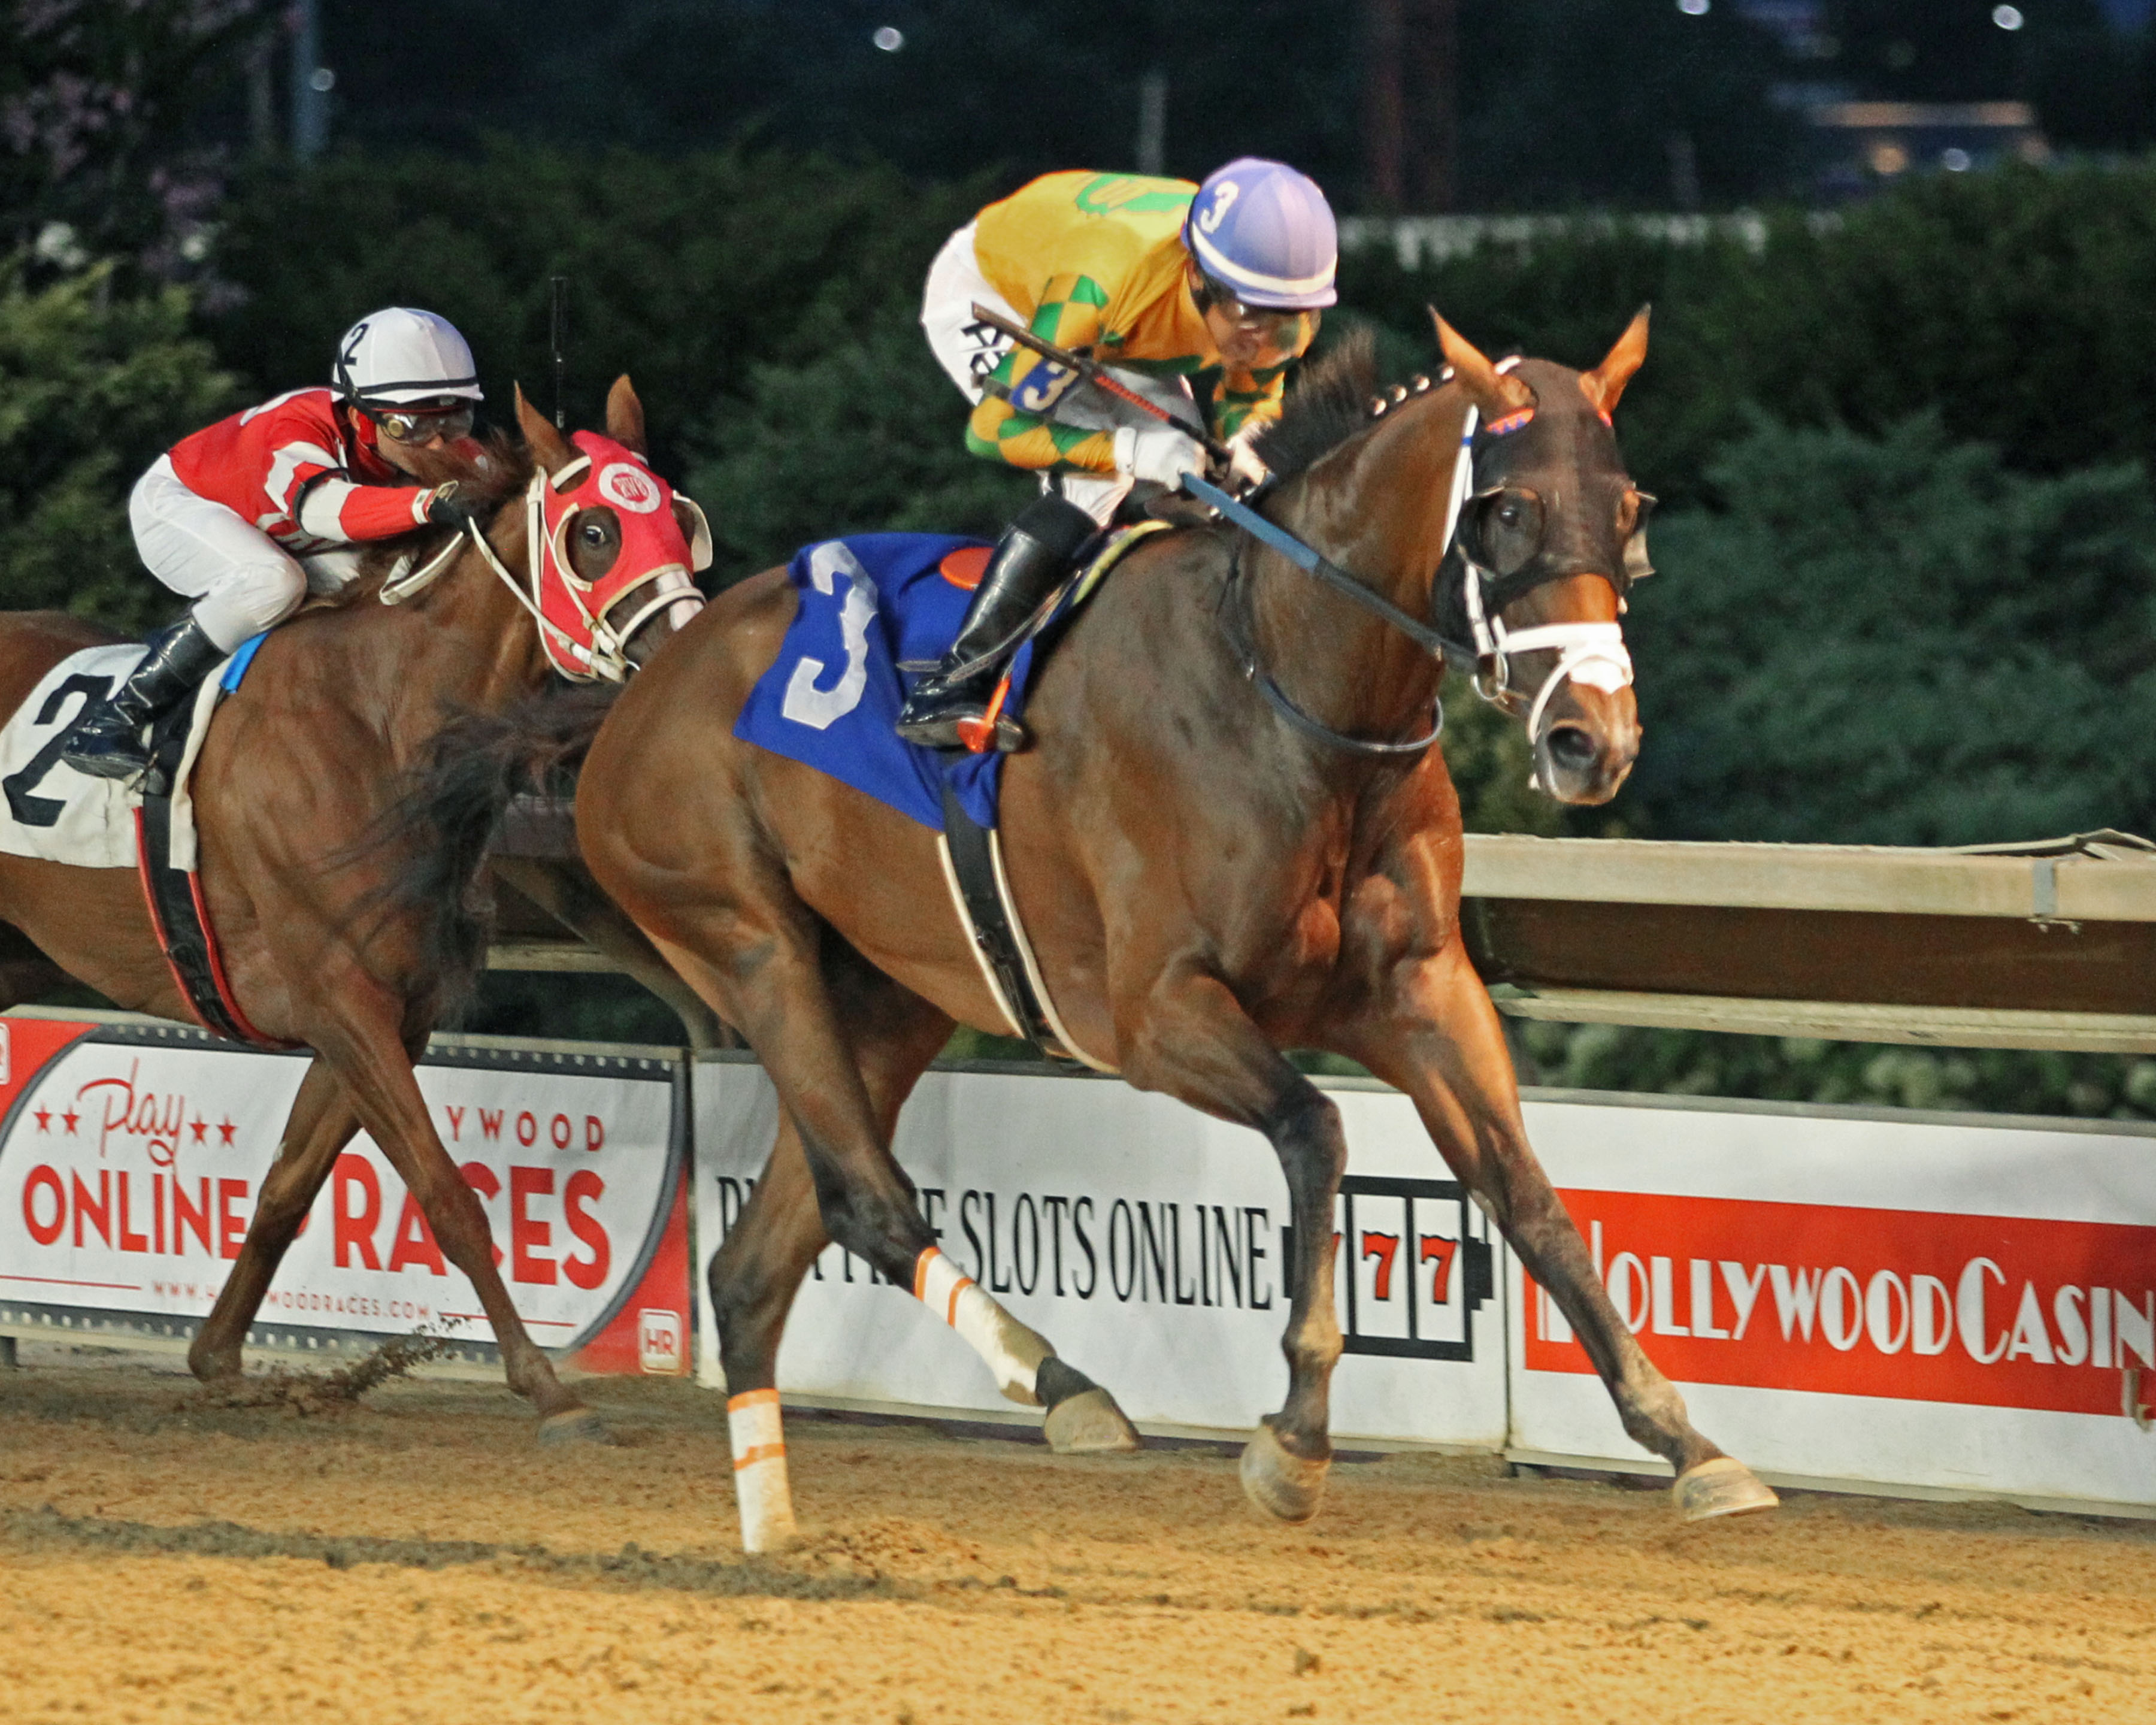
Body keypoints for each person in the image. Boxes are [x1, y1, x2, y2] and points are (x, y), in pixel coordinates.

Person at [897, 158, 1337, 750]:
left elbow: (1248, 405)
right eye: (1246, 313)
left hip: (1118, 326)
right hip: (1007, 298)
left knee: (1205, 480)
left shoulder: (1282, 315)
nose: (1260, 339)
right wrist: (1130, 449)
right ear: (1199, 276)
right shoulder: (1100, 287)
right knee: (1095, 484)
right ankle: (955, 685)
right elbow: (993, 431)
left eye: (1286, 320)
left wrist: (1246, 445)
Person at [60, 307, 486, 780]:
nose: (438, 445)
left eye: (455, 420)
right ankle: (113, 719)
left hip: (280, 531)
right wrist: (426, 505)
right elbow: (326, 512)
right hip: (180, 504)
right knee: (273, 582)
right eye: (413, 427)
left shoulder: (429, 441)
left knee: (388, 586)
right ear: (359, 412)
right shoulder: (298, 427)